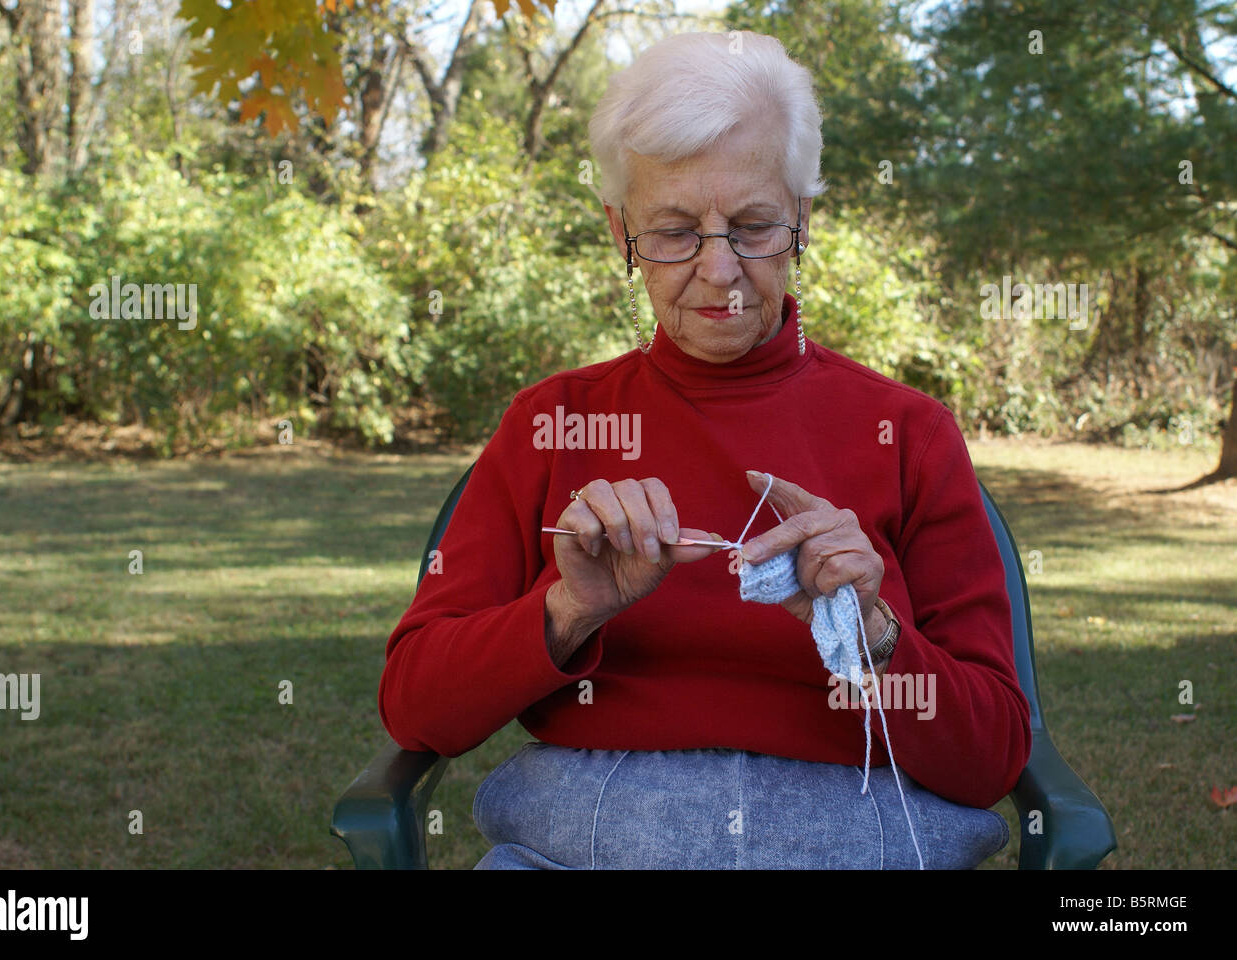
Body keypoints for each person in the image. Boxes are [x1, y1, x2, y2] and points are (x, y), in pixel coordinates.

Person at [379, 30, 1031, 869]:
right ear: (621, 229)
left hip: (854, 828)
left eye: (754, 225)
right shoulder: (552, 422)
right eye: (675, 231)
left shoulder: (908, 432)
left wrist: (874, 638)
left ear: (801, 219)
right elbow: (417, 708)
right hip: (587, 835)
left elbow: (993, 758)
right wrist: (570, 610)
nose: (719, 270)